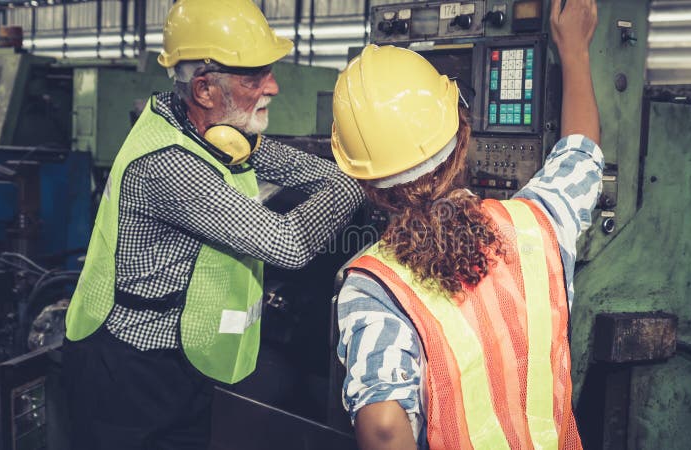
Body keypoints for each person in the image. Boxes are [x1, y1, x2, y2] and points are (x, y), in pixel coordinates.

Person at [61, 0, 364, 449]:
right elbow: (291, 243)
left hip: (183, 358)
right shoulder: (169, 165)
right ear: (204, 89)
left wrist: (348, 176)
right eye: (254, 76)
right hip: (133, 374)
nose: (274, 87)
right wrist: (362, 183)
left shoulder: (216, 133)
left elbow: (318, 173)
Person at [332, 0, 601, 448]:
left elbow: (382, 426)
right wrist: (575, 54)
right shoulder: (537, 224)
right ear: (462, 135)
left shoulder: (375, 283)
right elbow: (580, 156)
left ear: (367, 183)